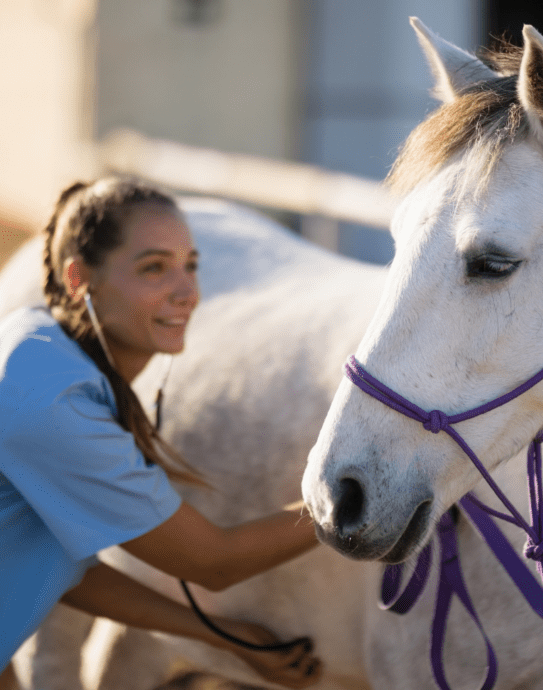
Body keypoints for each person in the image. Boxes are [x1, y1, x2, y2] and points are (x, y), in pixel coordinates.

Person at [0, 176, 322, 688]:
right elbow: (213, 561)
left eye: (190, 266)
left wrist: (219, 633)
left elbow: (60, 570)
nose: (187, 292)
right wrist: (349, 499)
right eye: (154, 269)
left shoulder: (38, 344)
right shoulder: (52, 399)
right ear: (79, 278)